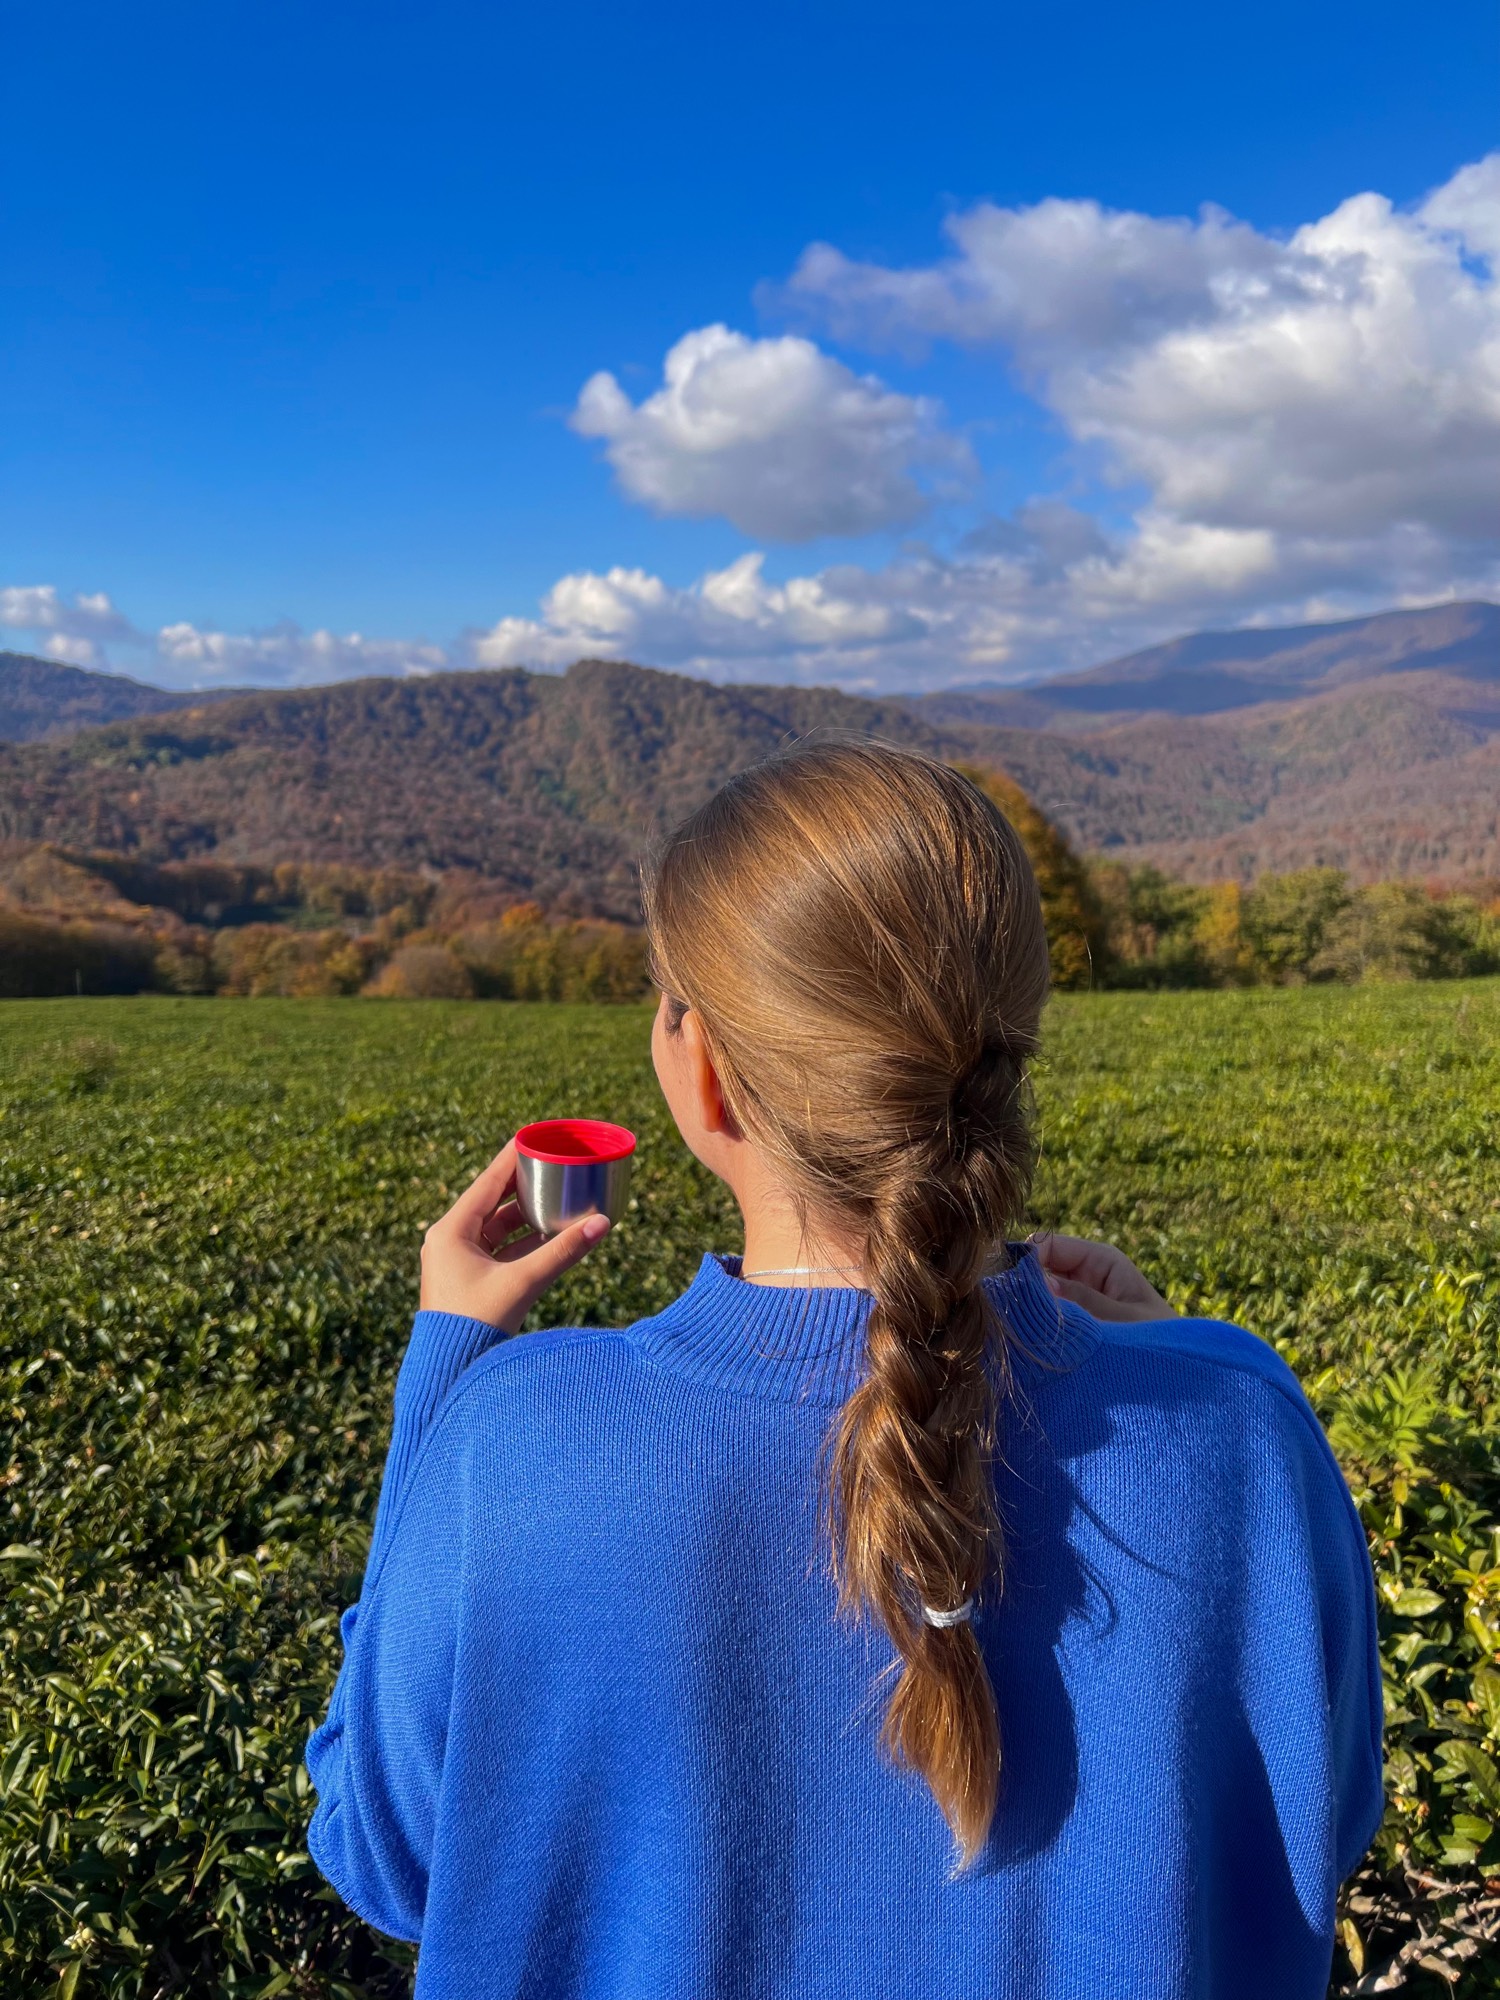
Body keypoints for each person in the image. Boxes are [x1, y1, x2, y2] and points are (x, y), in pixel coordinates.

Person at [305, 737, 1384, 1999]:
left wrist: (447, 1379)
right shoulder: (1245, 1426)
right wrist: (1188, 1362)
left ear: (704, 1073)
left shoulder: (515, 1439)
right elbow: (1322, 1820)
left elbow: (378, 1848)